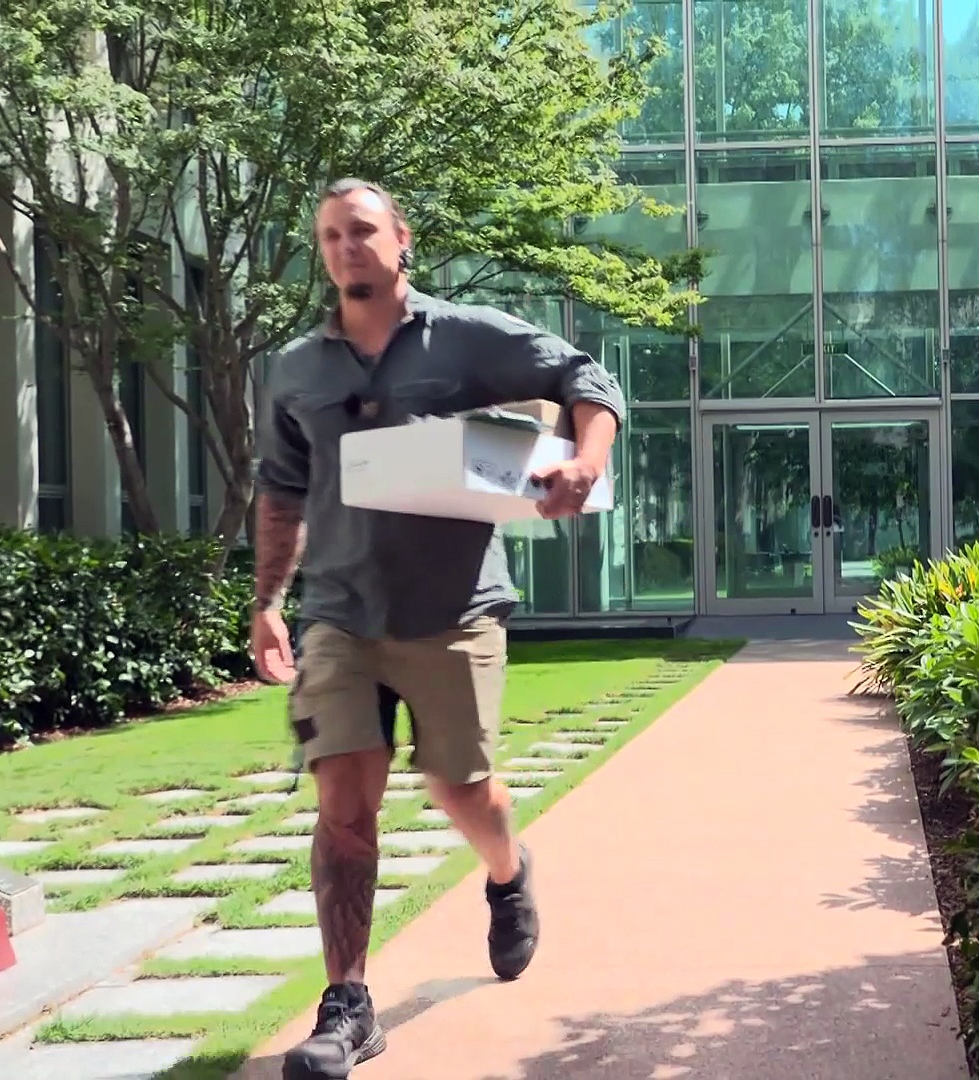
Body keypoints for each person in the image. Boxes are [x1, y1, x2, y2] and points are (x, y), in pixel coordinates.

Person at [250, 178, 625, 1080]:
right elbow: (281, 490)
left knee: (465, 791)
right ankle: (348, 1004)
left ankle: (506, 870)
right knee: (344, 806)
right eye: (332, 234)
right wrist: (267, 600)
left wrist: (585, 459)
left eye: (364, 230)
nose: (347, 246)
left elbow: (590, 379)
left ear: (402, 238)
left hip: (454, 613)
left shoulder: (468, 336)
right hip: (338, 614)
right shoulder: (297, 368)